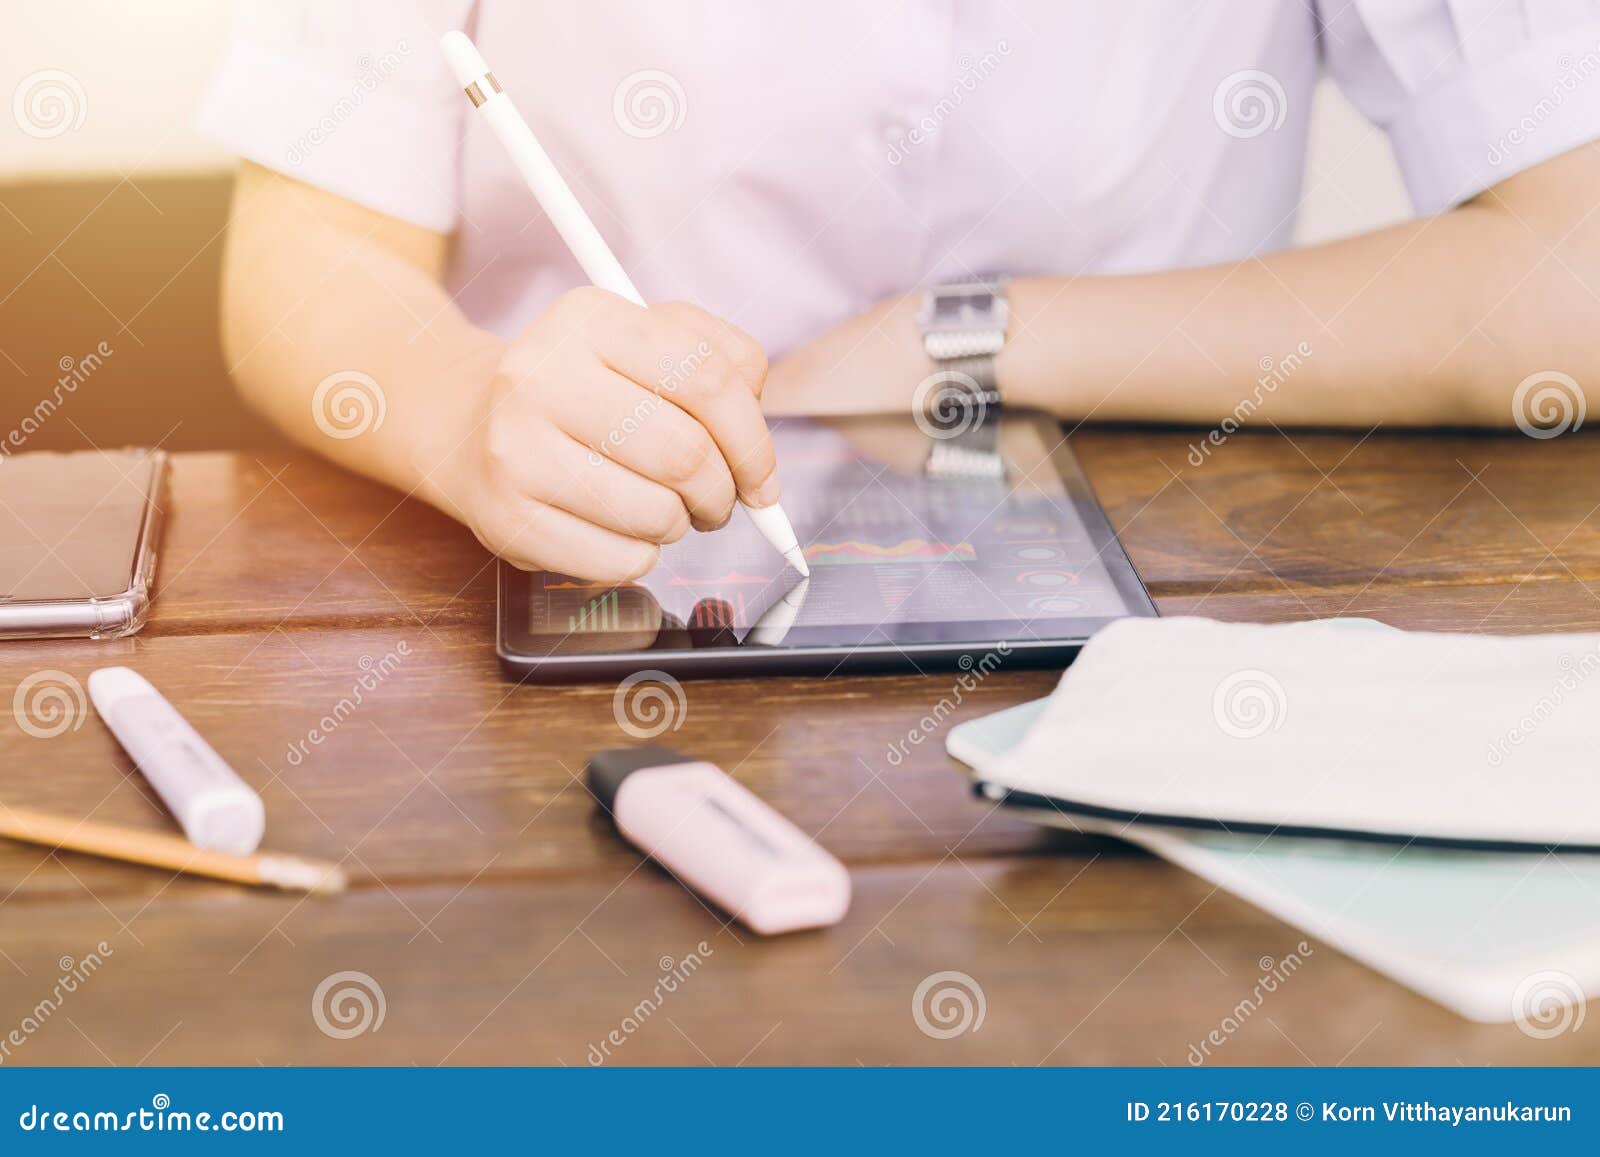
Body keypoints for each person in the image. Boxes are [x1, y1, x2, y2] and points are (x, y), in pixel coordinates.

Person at [201, 2, 1600, 583]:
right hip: (567, 571)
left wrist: (967, 342)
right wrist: (463, 414)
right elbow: (307, 251)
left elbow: (1572, 272)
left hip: (1149, 590)